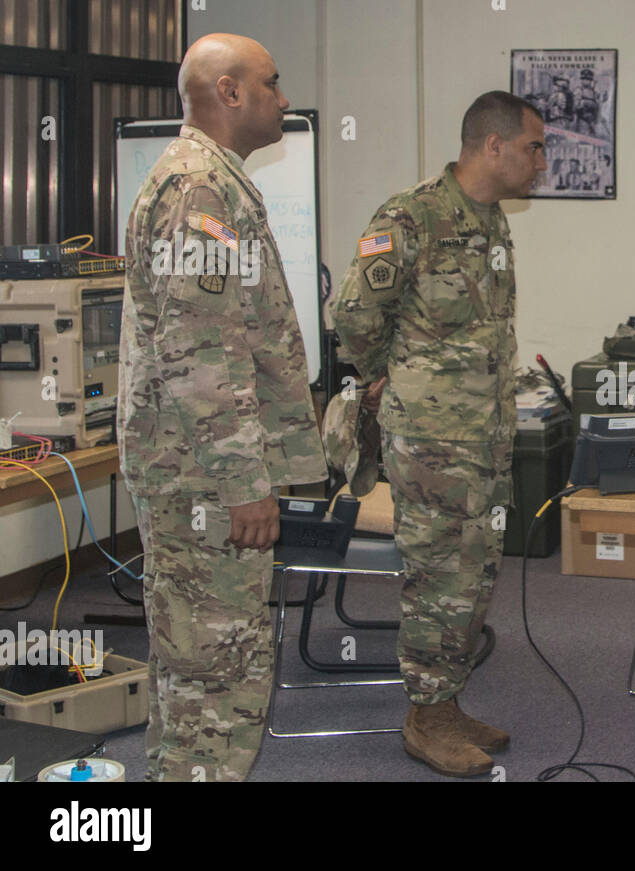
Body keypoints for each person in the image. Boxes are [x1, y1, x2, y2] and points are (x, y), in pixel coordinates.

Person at [118, 33, 327, 781]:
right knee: (216, 673)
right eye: (272, 83)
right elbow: (200, 350)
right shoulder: (199, 189)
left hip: (196, 465)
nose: (283, 97)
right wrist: (244, 478)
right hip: (201, 476)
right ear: (230, 91)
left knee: (198, 662)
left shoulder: (211, 180)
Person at [332, 91, 545, 777]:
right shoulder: (411, 217)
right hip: (429, 443)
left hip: (484, 439)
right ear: (493, 146)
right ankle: (424, 717)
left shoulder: (492, 224)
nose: (540, 162)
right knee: (435, 577)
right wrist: (380, 374)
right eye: (533, 148)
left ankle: (446, 703)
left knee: (473, 572)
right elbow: (355, 311)